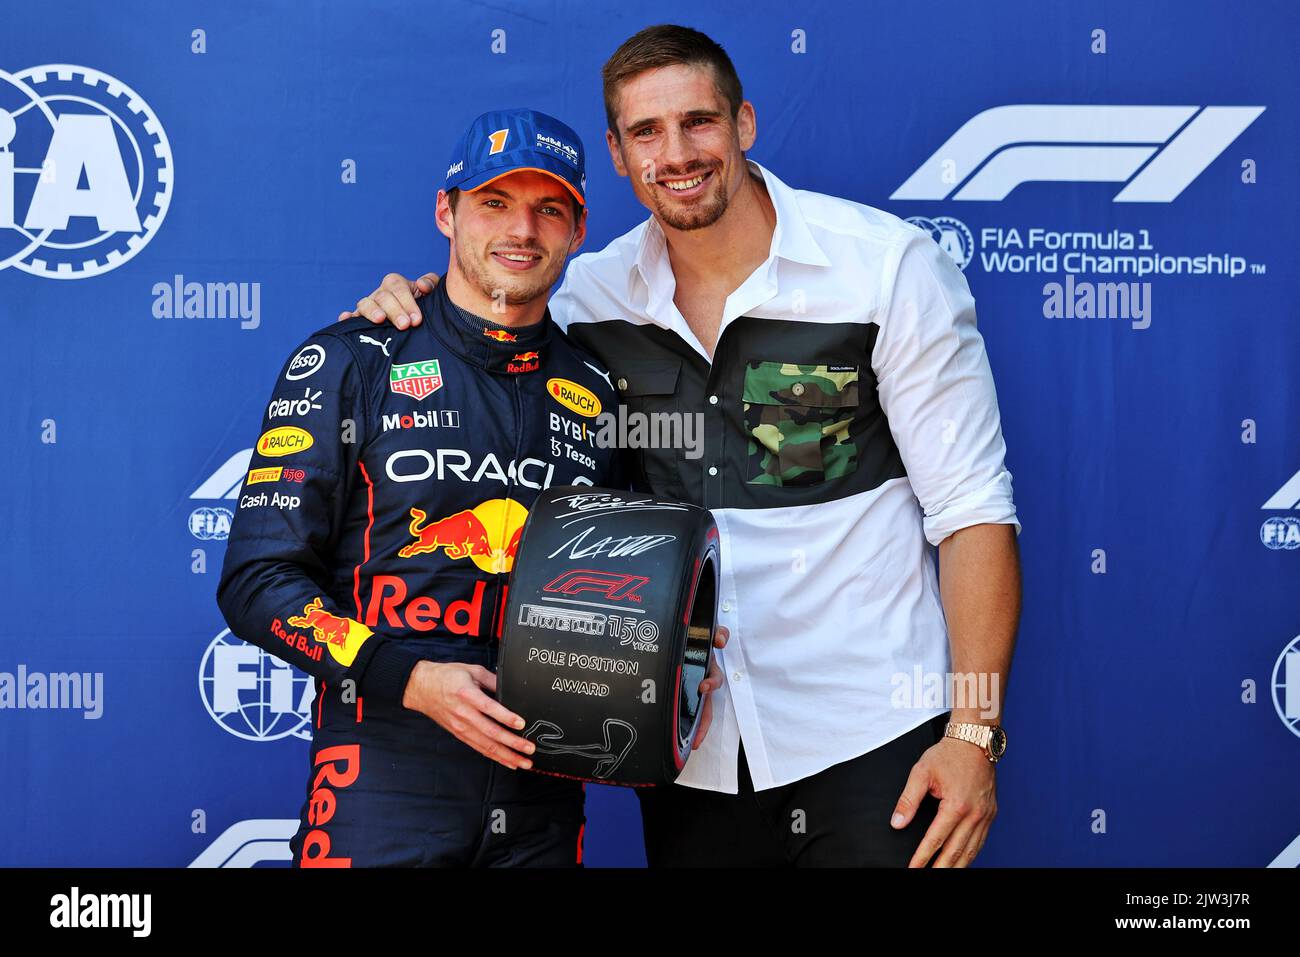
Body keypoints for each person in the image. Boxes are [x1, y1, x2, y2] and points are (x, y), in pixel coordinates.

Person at [341, 25, 1022, 868]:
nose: (678, 153)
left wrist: (974, 731)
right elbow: (482, 303)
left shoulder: (885, 269)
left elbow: (973, 513)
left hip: (872, 736)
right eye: (646, 133)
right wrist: (401, 312)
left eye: (698, 122)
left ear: (744, 124)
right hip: (686, 748)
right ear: (620, 159)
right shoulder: (586, 294)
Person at [217, 107, 722, 867]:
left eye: (549, 209)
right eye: (494, 203)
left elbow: (625, 584)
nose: (522, 230)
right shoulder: (352, 361)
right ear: (446, 212)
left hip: (542, 791)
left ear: (576, 231)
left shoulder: (596, 389)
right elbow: (258, 580)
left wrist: (674, 649)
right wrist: (410, 677)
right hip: (381, 774)